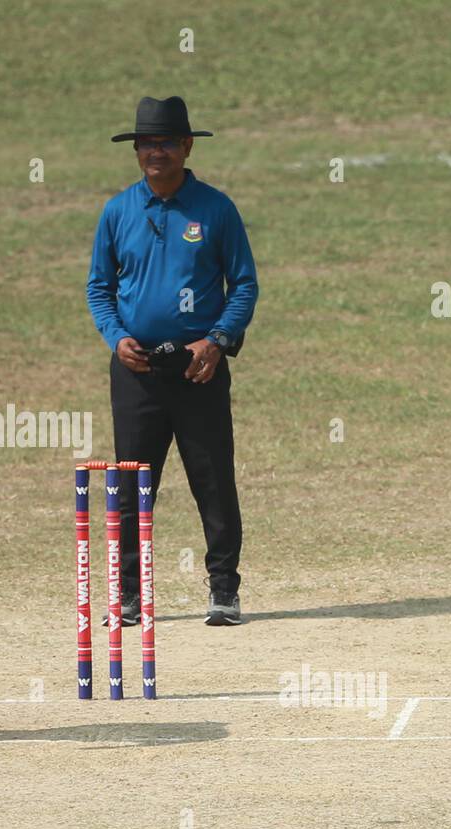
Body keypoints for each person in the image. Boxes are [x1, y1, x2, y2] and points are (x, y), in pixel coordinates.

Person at [87, 97, 259, 626]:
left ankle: (224, 590)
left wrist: (218, 340)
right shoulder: (118, 211)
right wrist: (116, 338)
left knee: (212, 478)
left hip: (198, 367)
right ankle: (132, 595)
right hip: (137, 371)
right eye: (146, 143)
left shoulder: (215, 209)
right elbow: (99, 289)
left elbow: (244, 284)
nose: (155, 152)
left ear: (186, 146)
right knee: (135, 483)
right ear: (136, 150)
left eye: (165, 142)